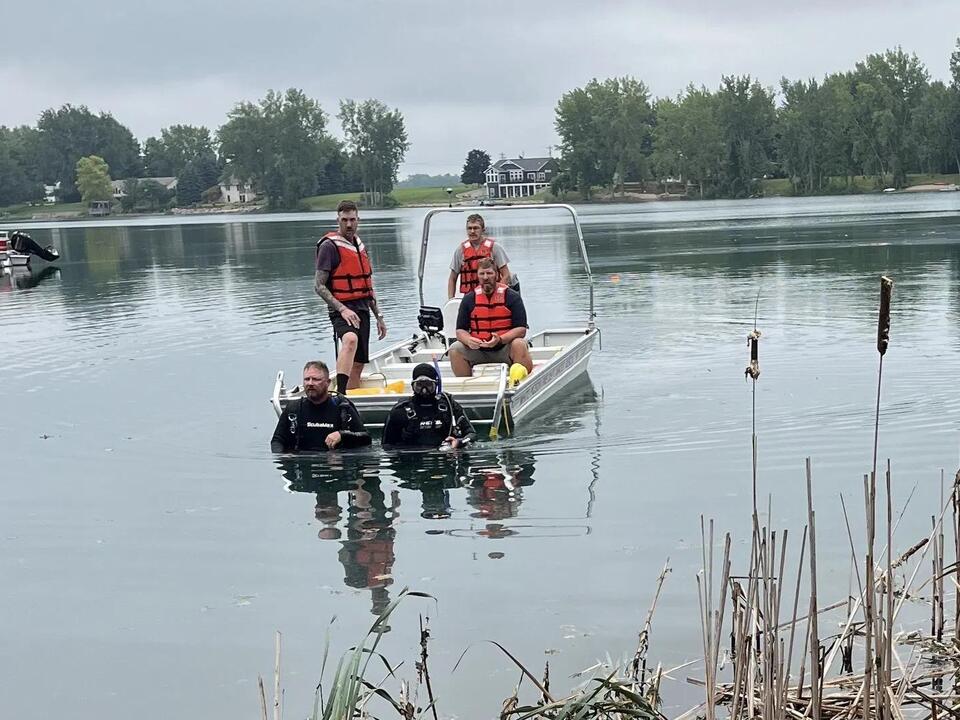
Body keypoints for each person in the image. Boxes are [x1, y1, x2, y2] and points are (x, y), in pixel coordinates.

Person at [315, 200, 387, 396]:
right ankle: (341, 395)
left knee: (358, 364)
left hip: (363, 307)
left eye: (352, 220)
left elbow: (368, 287)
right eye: (344, 220)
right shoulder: (329, 247)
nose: (349, 224)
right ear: (338, 219)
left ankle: (350, 405)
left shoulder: (360, 246)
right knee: (350, 340)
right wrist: (342, 309)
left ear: (358, 220)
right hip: (342, 308)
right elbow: (319, 286)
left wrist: (379, 316)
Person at [448, 258, 534, 377]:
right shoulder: (469, 299)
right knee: (455, 348)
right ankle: (466, 387)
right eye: (482, 274)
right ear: (477, 276)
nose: (485, 277)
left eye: (489, 273)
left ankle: (519, 380)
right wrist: (468, 340)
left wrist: (500, 339)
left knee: (519, 344)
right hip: (478, 349)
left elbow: (521, 329)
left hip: (504, 348)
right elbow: (460, 331)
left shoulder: (512, 297)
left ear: (497, 275)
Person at [271, 361, 371, 452]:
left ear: (328, 383)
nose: (310, 383)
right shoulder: (294, 408)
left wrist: (342, 435)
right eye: (307, 379)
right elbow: (277, 440)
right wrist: (284, 459)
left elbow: (366, 439)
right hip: (303, 463)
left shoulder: (342, 407)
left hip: (335, 465)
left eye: (315, 379)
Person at [382, 363, 477, 449]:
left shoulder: (449, 405)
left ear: (436, 385)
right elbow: (386, 445)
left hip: (445, 458)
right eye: (419, 385)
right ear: (412, 386)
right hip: (412, 461)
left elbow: (472, 434)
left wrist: (459, 442)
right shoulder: (400, 410)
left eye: (428, 385)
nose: (424, 390)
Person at [447, 213, 516, 299]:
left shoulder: (495, 248)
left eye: (476, 228)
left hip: (491, 296)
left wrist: (498, 293)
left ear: (483, 230)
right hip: (470, 298)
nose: (472, 231)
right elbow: (452, 278)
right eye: (469, 228)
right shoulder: (460, 250)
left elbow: (506, 275)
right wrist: (451, 300)